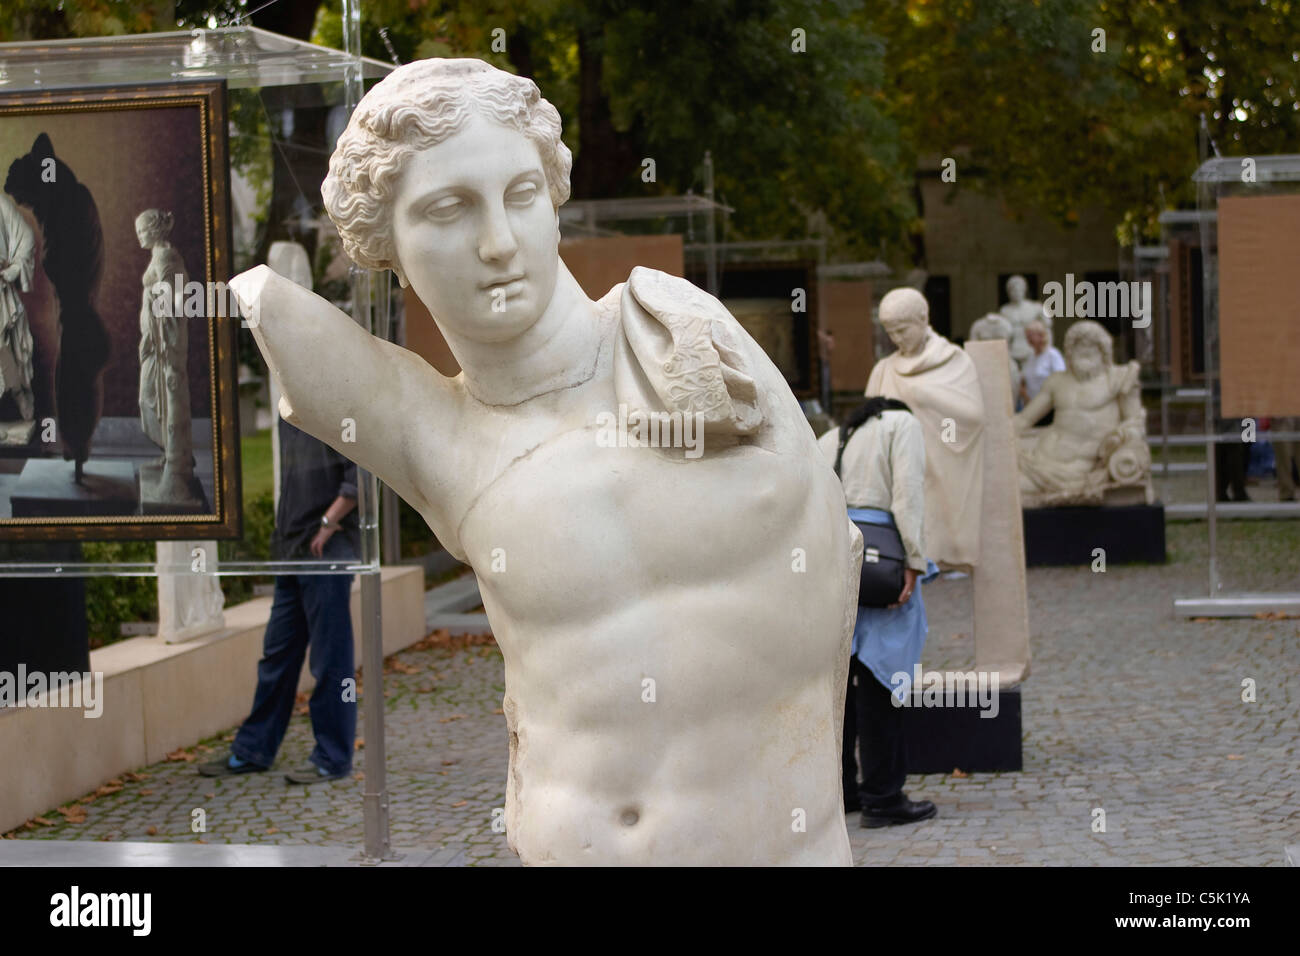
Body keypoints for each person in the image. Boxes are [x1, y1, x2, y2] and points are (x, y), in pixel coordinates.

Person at [229, 57, 859, 865]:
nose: (499, 243)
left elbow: (833, 564)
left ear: (552, 194)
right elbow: (291, 331)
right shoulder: (439, 439)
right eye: (448, 210)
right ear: (386, 244)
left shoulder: (671, 334)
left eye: (522, 196)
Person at [200, 418, 360, 784]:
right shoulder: (289, 410)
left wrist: (328, 522)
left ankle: (332, 758)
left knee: (330, 662)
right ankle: (254, 749)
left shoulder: (336, 403)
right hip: (289, 549)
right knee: (277, 656)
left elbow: (361, 475)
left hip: (326, 552)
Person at [819, 398, 939, 828]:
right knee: (882, 680)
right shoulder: (902, 423)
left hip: (834, 555)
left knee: (840, 683)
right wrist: (915, 558)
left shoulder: (831, 437)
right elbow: (908, 492)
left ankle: (843, 793)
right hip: (884, 559)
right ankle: (884, 797)